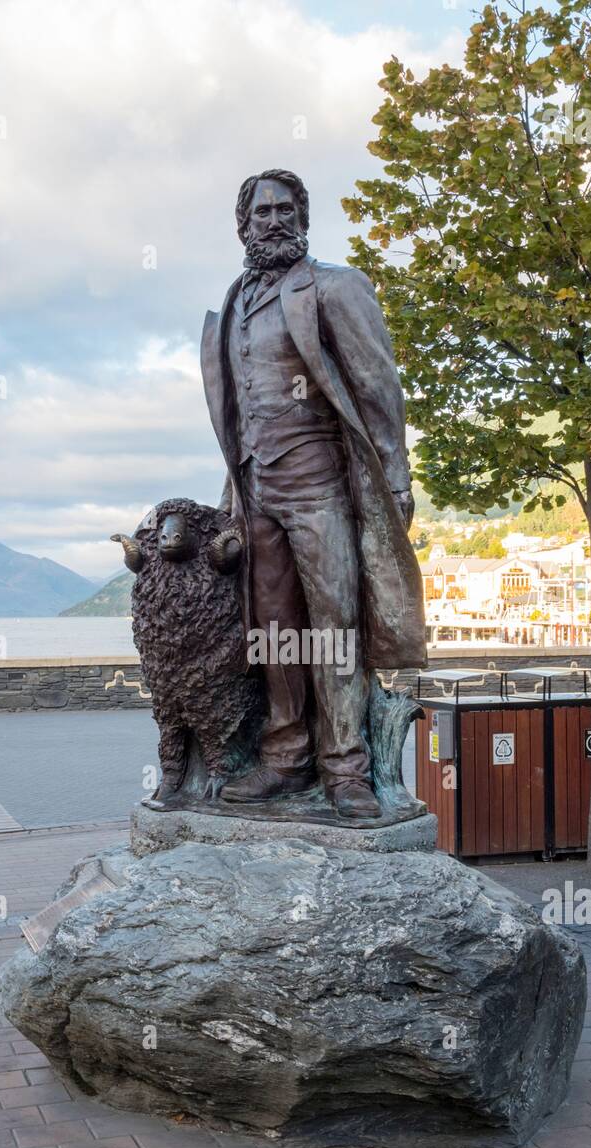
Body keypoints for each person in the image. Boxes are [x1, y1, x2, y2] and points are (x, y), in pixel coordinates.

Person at [200, 168, 425, 819]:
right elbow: (237, 411)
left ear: (301, 217)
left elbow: (379, 389)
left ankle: (346, 769)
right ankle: (284, 756)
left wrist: (396, 478)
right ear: (242, 226)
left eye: (283, 208)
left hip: (320, 488)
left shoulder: (334, 287)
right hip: (256, 493)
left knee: (334, 630)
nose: (271, 219)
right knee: (273, 633)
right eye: (259, 211)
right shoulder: (232, 303)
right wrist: (230, 500)